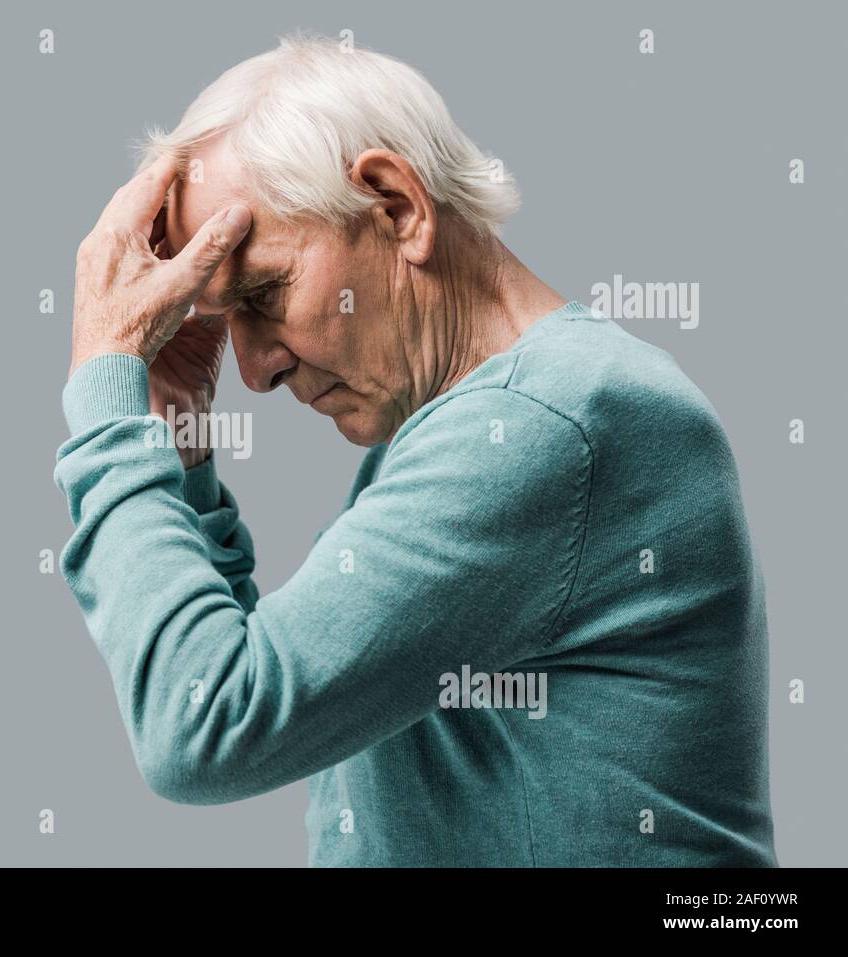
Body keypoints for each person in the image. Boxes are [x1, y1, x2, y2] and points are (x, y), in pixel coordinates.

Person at [54, 35, 777, 866]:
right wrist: (174, 435)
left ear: (397, 206)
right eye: (223, 318)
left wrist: (107, 396)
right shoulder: (494, 418)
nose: (253, 371)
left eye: (263, 292)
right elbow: (286, 687)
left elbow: (204, 718)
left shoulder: (550, 425)